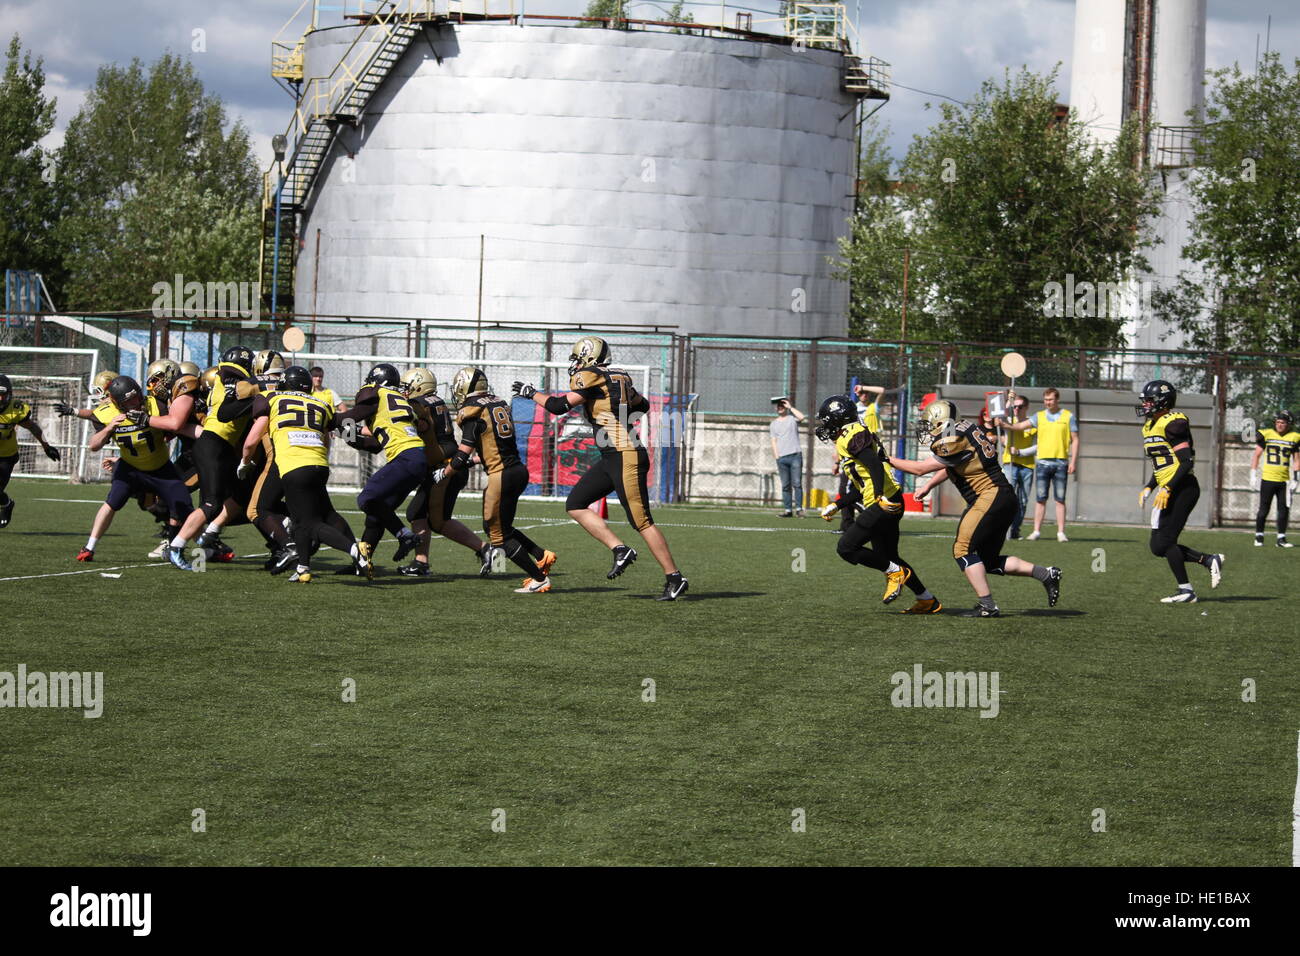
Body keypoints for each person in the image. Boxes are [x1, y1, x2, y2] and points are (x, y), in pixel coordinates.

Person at [512, 335, 687, 600]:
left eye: (577, 358)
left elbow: (559, 407)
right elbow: (643, 405)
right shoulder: (619, 375)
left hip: (624, 454)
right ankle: (619, 549)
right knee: (576, 503)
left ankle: (674, 578)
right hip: (614, 454)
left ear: (588, 356)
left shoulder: (590, 376)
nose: (575, 363)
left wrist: (530, 392)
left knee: (642, 521)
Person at [888, 399, 1062, 618]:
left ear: (944, 422)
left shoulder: (953, 438)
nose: (928, 428)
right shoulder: (966, 429)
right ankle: (1046, 574)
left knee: (963, 550)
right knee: (987, 561)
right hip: (1003, 498)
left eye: (931, 423)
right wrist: (929, 486)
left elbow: (921, 468)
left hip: (989, 496)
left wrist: (886, 458)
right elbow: (953, 464)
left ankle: (988, 606)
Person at [815, 394, 940, 613]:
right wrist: (839, 505)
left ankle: (895, 573)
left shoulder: (850, 434)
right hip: (890, 499)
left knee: (846, 548)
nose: (825, 425)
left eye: (827, 420)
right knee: (889, 556)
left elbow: (873, 464)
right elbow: (862, 482)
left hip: (882, 502)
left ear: (838, 419)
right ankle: (927, 599)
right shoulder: (851, 435)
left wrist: (880, 496)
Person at [245, 365, 371, 583]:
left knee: (308, 523)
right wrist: (368, 435)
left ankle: (355, 550)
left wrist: (245, 460)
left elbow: (251, 440)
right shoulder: (321, 403)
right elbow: (343, 428)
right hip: (319, 466)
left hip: (293, 465)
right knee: (321, 514)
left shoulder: (271, 399)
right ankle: (303, 567)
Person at [438, 366, 556, 594]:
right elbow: (491, 447)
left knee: (497, 533)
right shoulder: (498, 403)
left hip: (501, 475)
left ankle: (538, 578)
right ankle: (539, 556)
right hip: (517, 471)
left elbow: (463, 453)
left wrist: (445, 472)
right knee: (503, 528)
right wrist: (473, 461)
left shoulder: (472, 412)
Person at [76, 376, 192, 561]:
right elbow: (93, 445)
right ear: (117, 403)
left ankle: (180, 546)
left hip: (160, 467)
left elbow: (174, 426)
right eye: (128, 401)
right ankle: (89, 547)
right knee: (112, 502)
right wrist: (109, 428)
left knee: (183, 505)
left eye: (136, 397)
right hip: (130, 467)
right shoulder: (105, 414)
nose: (135, 402)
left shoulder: (155, 404)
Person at [1134, 380, 1223, 603]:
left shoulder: (1174, 422)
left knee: (1165, 541)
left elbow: (1185, 462)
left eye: (1149, 400)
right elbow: (1162, 465)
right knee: (1157, 546)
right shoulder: (1149, 426)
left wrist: (1168, 487)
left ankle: (1187, 591)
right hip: (1168, 488)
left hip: (1183, 488)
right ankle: (1208, 560)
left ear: (1163, 402)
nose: (1145, 404)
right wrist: (1149, 486)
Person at [398, 367, 492, 577]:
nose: (403, 392)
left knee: (438, 522)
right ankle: (421, 563)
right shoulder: (435, 401)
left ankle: (487, 549)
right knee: (417, 513)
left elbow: (406, 424)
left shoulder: (418, 406)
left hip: (445, 469)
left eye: (406, 387)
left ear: (418, 385)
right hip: (445, 465)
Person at [334, 363, 426, 568]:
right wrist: (345, 433)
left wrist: (330, 420)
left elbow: (353, 415)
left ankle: (404, 535)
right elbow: (373, 445)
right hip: (417, 458)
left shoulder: (375, 392)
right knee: (377, 514)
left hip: (405, 457)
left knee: (367, 499)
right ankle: (362, 562)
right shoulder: (400, 400)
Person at [998, 386, 1077, 541]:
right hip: (1021, 463)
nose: (1048, 402)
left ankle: (1057, 532)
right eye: (1045, 399)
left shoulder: (1065, 416)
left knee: (1045, 499)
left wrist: (1021, 452)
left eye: (1050, 399)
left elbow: (1042, 443)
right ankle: (1017, 530)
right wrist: (1008, 404)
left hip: (1045, 463)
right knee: (1018, 498)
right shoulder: (1031, 417)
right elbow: (1008, 420)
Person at [0, 372, 62, 529]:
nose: (0, 398)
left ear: (9, 394)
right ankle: (6, 503)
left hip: (6, 455)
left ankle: (6, 504)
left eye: (3, 394)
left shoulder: (16, 408)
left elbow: (33, 427)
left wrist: (46, 447)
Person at [1250, 410, 1299, 547]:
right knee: (1263, 509)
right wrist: (1253, 474)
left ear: (1288, 424)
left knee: (1283, 509)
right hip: (1268, 478)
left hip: (1284, 481)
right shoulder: (1267, 434)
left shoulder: (1294, 437)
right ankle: (1259, 536)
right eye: (1277, 422)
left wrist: (1296, 478)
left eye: (1282, 422)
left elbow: (1296, 460)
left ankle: (1281, 539)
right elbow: (1256, 455)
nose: (1279, 425)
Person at [1000, 391, 1036, 540]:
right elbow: (1000, 415)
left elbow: (1037, 446)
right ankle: (1004, 530)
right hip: (1010, 464)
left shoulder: (1033, 424)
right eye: (1014, 407)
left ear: (1026, 407)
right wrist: (1009, 400)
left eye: (1020, 407)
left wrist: (1020, 452)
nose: (1016, 409)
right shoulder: (1009, 420)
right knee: (1008, 498)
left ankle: (1015, 530)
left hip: (1027, 466)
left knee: (1022, 500)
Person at [769, 396, 806, 517]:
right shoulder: (773, 424)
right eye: (778, 406)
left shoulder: (792, 419)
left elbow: (802, 417)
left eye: (782, 405)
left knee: (797, 483)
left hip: (795, 455)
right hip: (782, 458)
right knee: (785, 485)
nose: (780, 407)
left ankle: (799, 509)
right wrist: (777, 457)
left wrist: (790, 407)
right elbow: (773, 441)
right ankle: (788, 510)